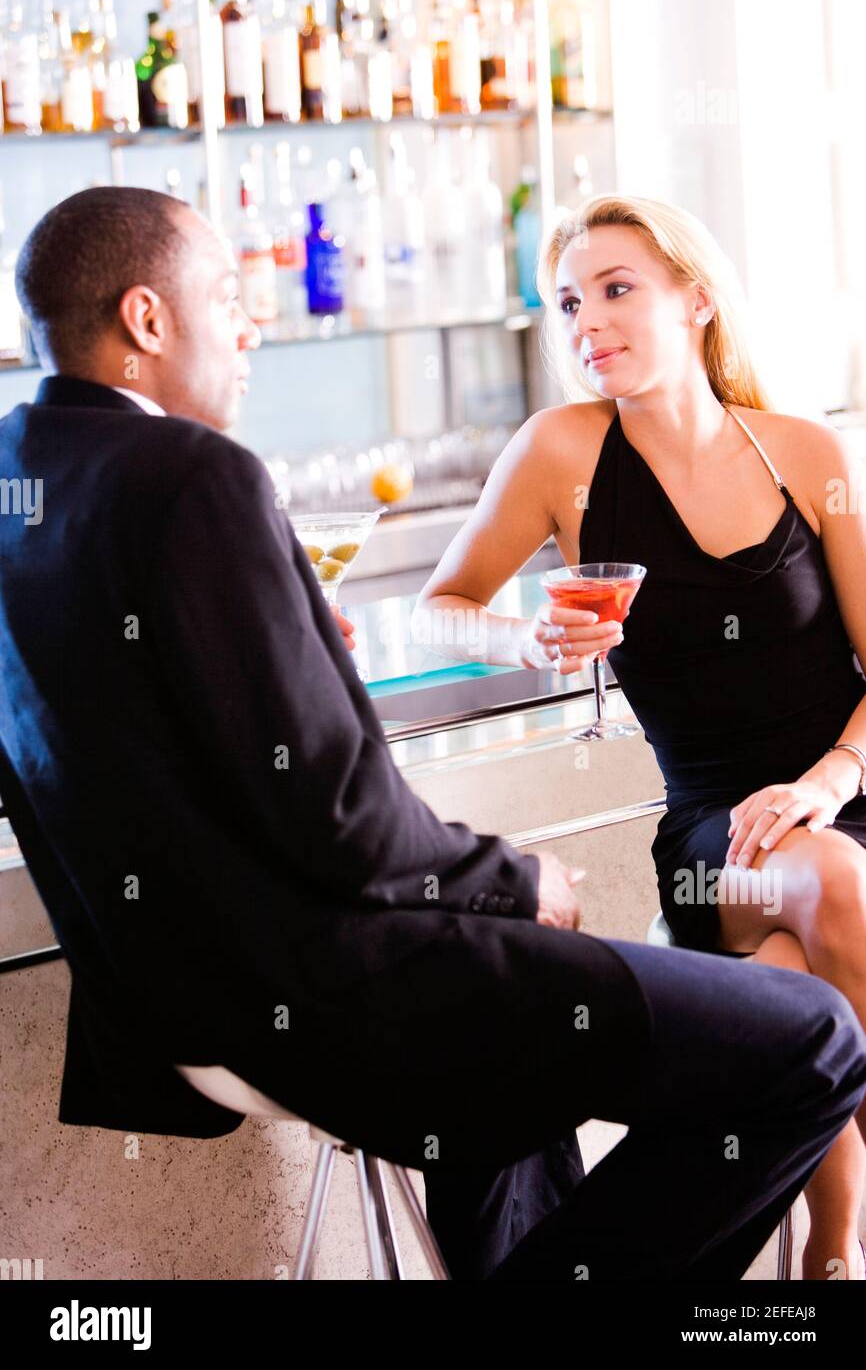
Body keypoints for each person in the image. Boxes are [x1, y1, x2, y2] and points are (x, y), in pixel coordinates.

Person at [0, 188, 864, 1282]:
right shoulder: (198, 474)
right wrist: (510, 878)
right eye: (226, 295)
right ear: (147, 321)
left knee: (631, 1028)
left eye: (613, 289)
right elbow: (339, 812)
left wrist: (292, 643)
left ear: (694, 301)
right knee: (809, 1044)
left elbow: (145, 742)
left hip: (182, 1001)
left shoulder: (20, 477)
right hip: (343, 986)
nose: (251, 323)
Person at [413, 192, 866, 1278]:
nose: (586, 323)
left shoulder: (805, 453)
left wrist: (825, 779)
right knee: (827, 887)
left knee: (802, 959)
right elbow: (442, 602)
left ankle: (832, 1254)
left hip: (839, 792)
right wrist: (524, 636)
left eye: (616, 290)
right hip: (715, 841)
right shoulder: (560, 454)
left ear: (695, 300)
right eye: (568, 303)